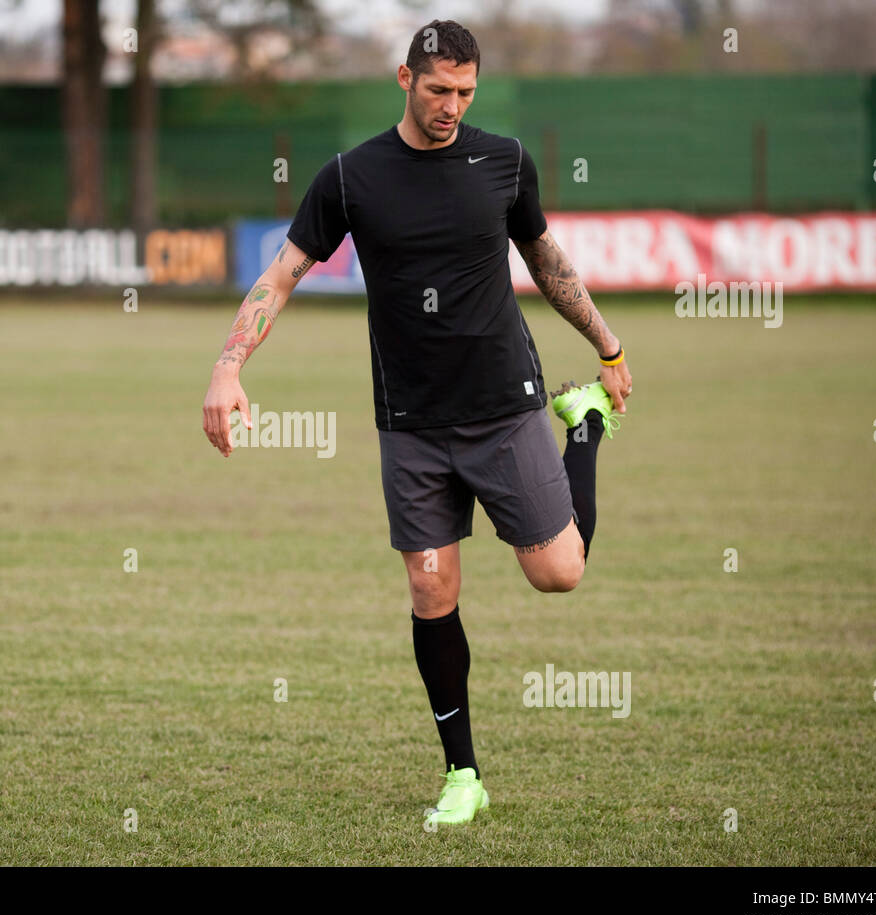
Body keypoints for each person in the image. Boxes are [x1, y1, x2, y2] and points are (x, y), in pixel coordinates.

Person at [201, 19, 634, 826]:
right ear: (405, 79)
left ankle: (584, 428)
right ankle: (463, 772)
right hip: (410, 421)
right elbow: (282, 275)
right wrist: (229, 367)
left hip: (505, 404)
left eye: (466, 92)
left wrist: (607, 346)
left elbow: (547, 261)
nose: (452, 106)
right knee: (431, 589)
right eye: (439, 90)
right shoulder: (351, 177)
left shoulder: (503, 160)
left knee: (560, 574)